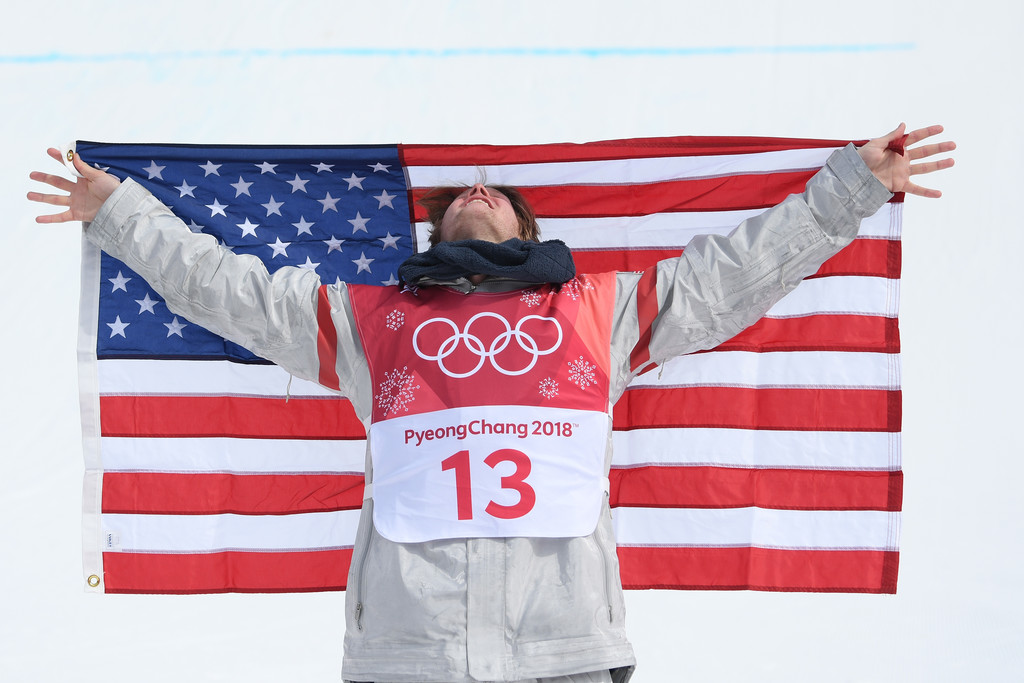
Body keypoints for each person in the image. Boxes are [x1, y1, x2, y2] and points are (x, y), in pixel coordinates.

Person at [29, 125, 954, 683]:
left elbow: (733, 277)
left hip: (566, 651)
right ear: (434, 230)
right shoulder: (372, 323)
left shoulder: (599, 312)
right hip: (407, 651)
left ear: (528, 228)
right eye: (461, 192)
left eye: (498, 192)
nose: (477, 186)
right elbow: (227, 288)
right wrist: (119, 211)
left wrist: (853, 185)